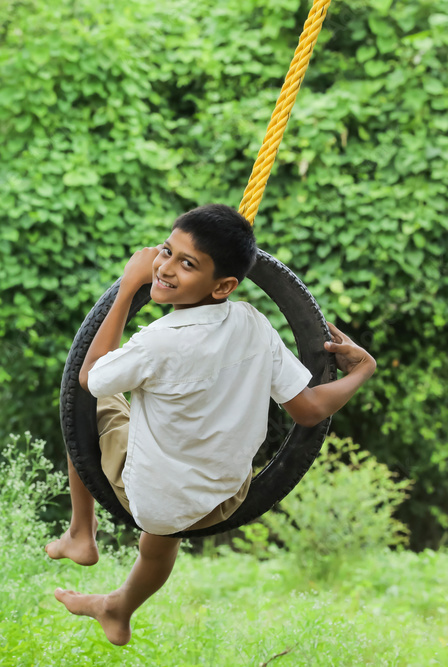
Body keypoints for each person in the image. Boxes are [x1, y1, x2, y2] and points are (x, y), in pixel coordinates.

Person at [45, 203, 376, 645]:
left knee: (85, 413)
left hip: (154, 502)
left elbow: (89, 379)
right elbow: (311, 409)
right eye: (166, 251)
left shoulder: (157, 342)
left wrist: (128, 289)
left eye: (187, 263)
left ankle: (80, 533)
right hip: (224, 498)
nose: (164, 268)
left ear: (223, 286)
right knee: (169, 515)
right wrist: (362, 370)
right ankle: (117, 611)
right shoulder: (253, 324)